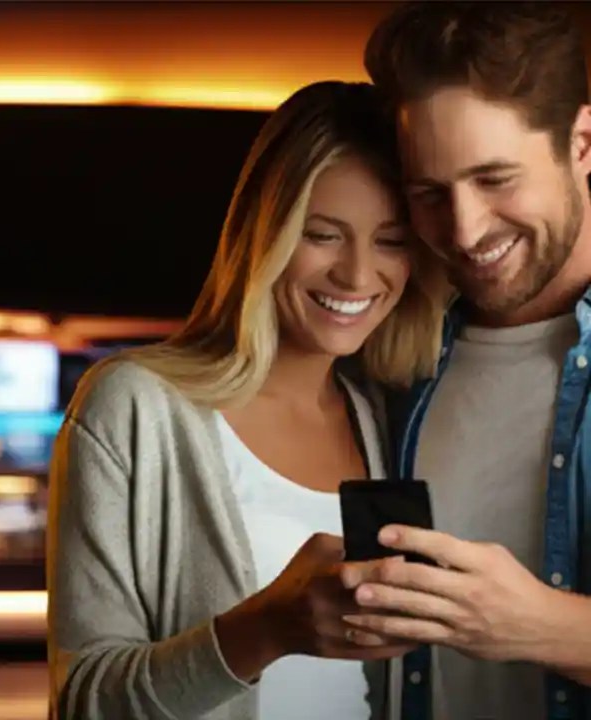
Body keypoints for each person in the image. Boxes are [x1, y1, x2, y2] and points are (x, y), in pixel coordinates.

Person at [46, 80, 448, 720]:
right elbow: (86, 702)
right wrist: (268, 629)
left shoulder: (388, 416)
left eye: (392, 241)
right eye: (323, 234)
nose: (357, 275)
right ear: (265, 232)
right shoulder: (136, 406)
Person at [336, 4, 591, 720]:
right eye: (429, 193)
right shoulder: (389, 361)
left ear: (582, 144)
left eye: (495, 179)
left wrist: (547, 626)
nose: (465, 229)